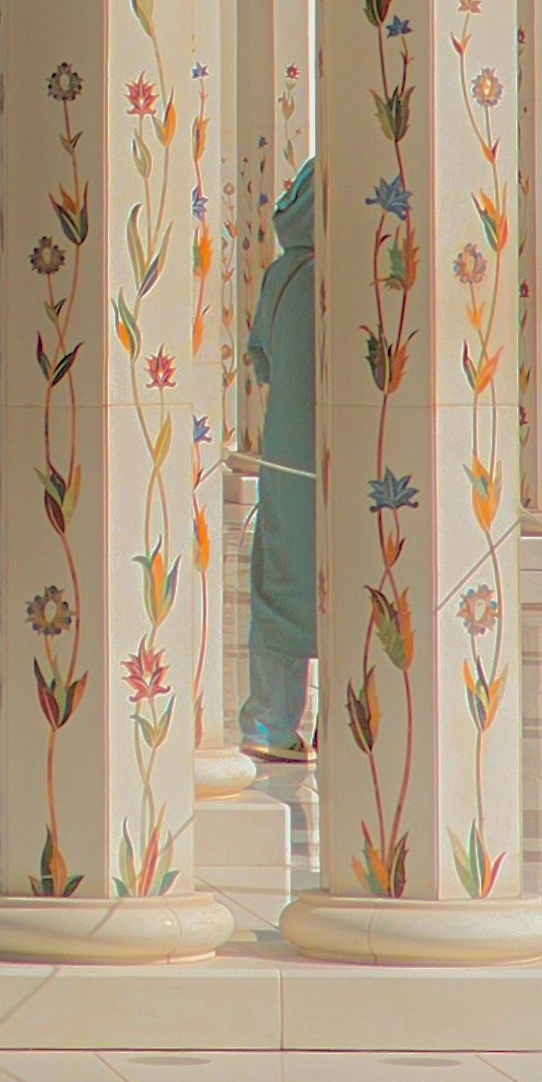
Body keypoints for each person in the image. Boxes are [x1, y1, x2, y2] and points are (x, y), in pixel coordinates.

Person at [243, 157, 317, 758]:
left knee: (282, 582)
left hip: (289, 458)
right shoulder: (369, 276)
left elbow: (261, 359)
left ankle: (270, 723)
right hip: (360, 463)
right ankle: (355, 721)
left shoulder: (284, 275)